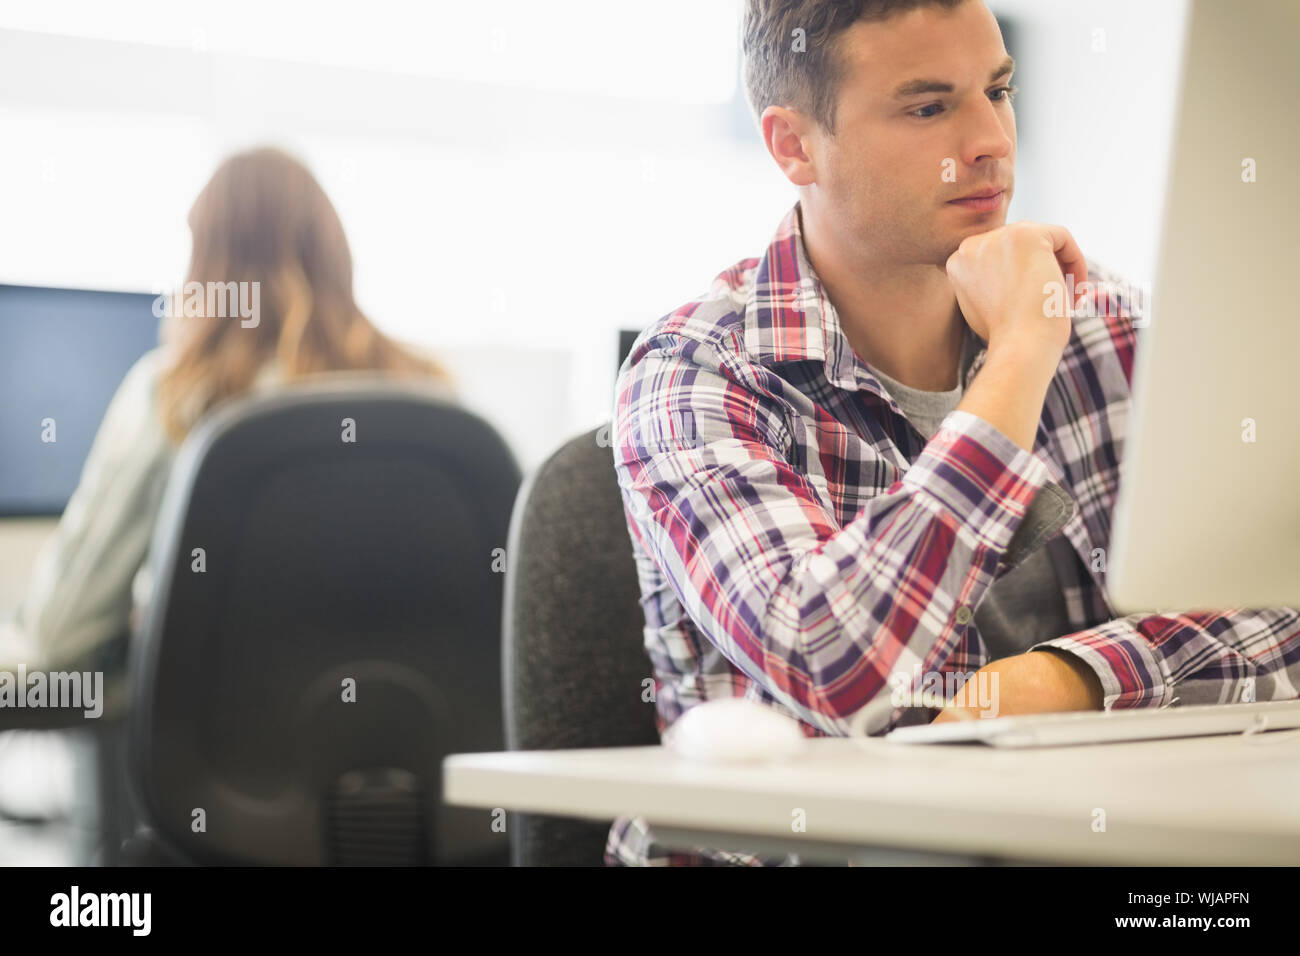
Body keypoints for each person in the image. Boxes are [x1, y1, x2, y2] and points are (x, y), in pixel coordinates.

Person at [607, 0, 1300, 866]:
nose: (991, 143)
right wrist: (1018, 356)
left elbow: (1281, 591)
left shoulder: (1107, 328)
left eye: (999, 91)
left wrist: (1063, 682)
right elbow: (837, 671)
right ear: (793, 145)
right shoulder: (697, 374)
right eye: (928, 108)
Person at [10, 146, 453, 674]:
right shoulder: (433, 393)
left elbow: (63, 635)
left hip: (204, 751)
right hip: (401, 740)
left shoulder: (174, 396)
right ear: (335, 251)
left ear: (207, 264)